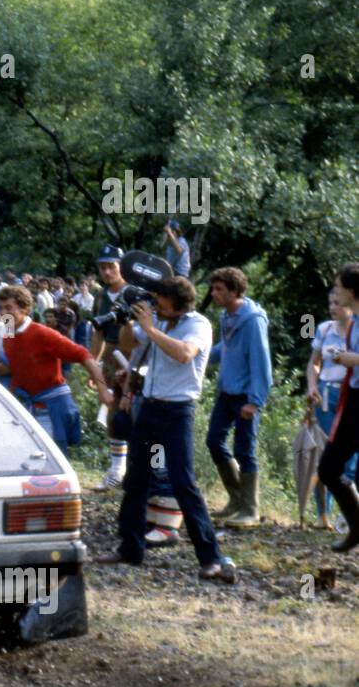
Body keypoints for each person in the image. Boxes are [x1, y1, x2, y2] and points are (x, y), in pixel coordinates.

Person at [97, 277, 236, 583]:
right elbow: (128, 345)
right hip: (149, 405)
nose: (156, 306)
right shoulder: (159, 320)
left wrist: (149, 328)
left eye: (161, 302)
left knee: (183, 482)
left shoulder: (197, 324)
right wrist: (127, 322)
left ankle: (211, 558)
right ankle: (130, 548)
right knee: (135, 480)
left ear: (178, 304)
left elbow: (185, 354)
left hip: (178, 410)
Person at [0, 284, 113, 453]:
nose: (4, 313)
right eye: (0, 308)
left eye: (9, 308)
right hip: (28, 402)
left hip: (51, 405)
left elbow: (84, 355)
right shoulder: (8, 329)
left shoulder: (42, 334)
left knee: (50, 456)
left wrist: (103, 390)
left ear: (26, 309)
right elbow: (19, 357)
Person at [205, 266, 273, 528]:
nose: (213, 294)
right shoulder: (227, 316)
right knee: (214, 441)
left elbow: (261, 361)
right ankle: (236, 499)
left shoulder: (253, 320)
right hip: (226, 391)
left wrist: (255, 401)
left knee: (245, 450)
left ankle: (250, 509)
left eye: (219, 289)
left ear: (235, 291)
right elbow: (227, 346)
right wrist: (204, 356)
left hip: (246, 394)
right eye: (213, 288)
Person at [307, 290, 357, 530]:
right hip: (327, 394)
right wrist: (312, 385)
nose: (333, 307)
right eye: (330, 303)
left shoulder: (356, 329)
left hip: (351, 394)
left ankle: (349, 516)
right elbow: (314, 362)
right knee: (326, 454)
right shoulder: (324, 329)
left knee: (351, 461)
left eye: (337, 302)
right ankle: (322, 514)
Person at [318, 263, 359, 552]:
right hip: (354, 399)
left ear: (353, 290)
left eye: (339, 287)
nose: (335, 293)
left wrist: (351, 359)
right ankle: (357, 528)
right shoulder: (354, 321)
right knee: (329, 468)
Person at [90, 245, 130, 489]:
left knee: (137, 412)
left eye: (111, 266)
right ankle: (117, 468)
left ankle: (150, 469)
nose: (106, 272)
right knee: (112, 411)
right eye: (102, 267)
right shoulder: (101, 297)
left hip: (133, 355)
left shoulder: (134, 292)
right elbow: (98, 333)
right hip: (111, 355)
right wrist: (94, 364)